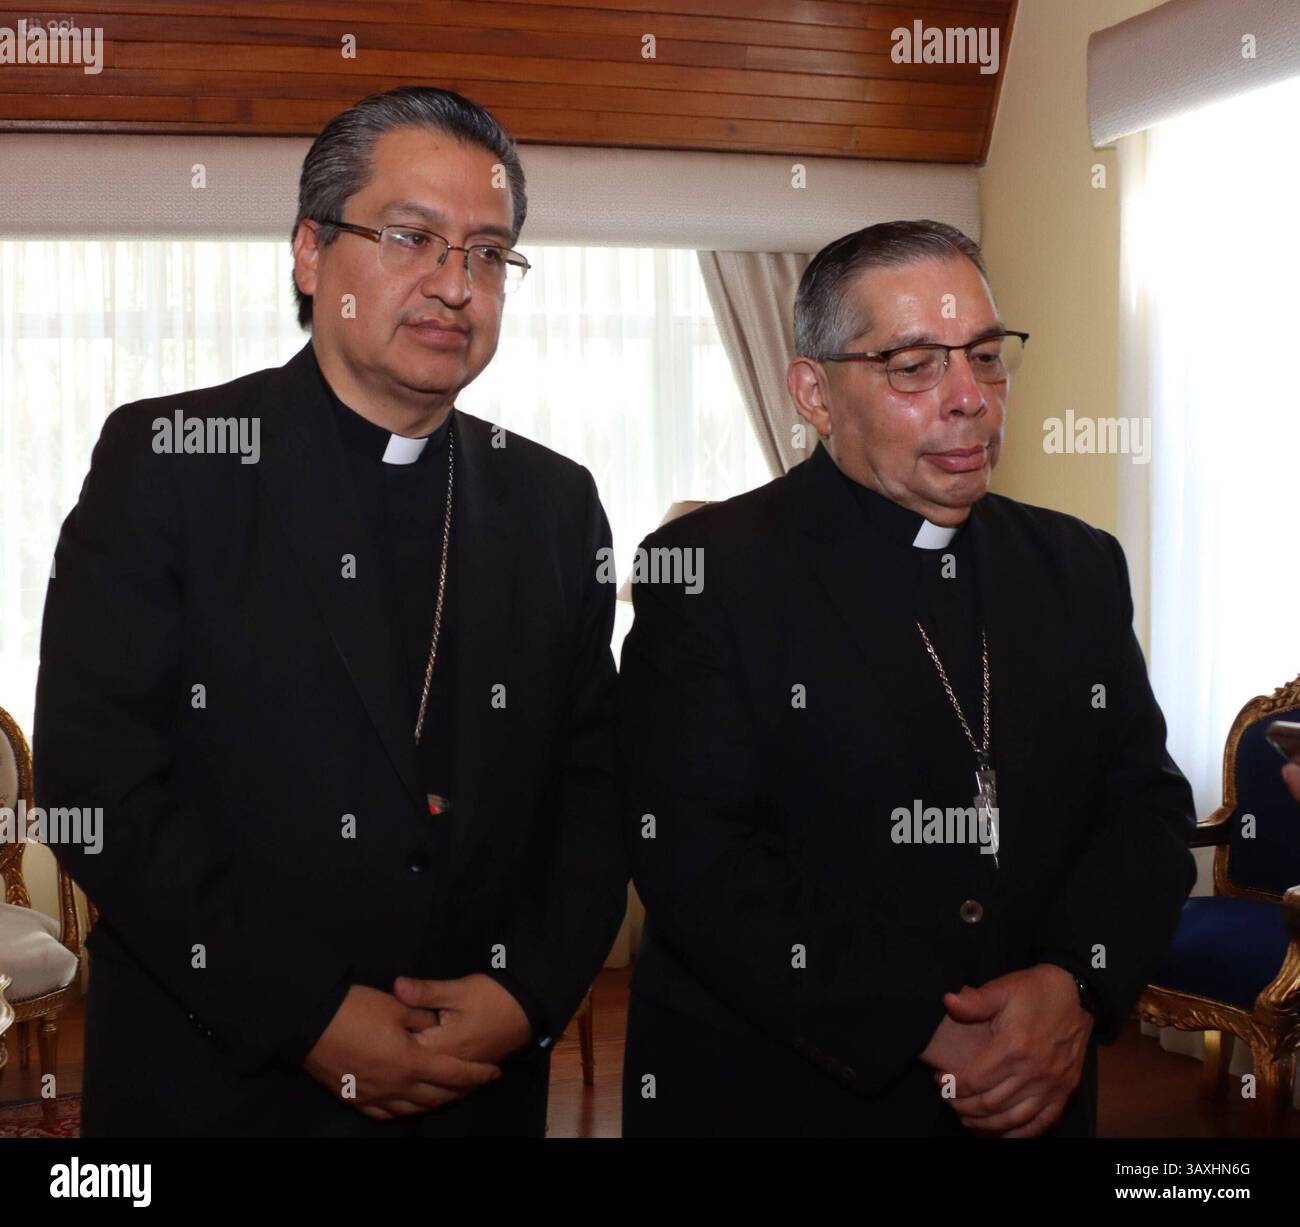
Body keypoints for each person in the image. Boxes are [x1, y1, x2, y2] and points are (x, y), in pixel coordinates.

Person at [34, 85, 626, 1137]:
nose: (456, 286)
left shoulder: (551, 499)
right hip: (222, 1078)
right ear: (310, 254)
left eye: (489, 254)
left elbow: (596, 786)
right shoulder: (170, 462)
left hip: (474, 1080)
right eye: (413, 238)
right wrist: (302, 1011)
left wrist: (525, 993)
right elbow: (100, 784)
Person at [619, 220, 1196, 1138]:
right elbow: (695, 856)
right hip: (788, 1091)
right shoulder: (705, 570)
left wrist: (1072, 983)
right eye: (914, 365)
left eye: (985, 356)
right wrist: (923, 1025)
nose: (970, 398)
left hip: (1037, 1086)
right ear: (813, 391)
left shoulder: (1077, 565)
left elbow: (1147, 806)